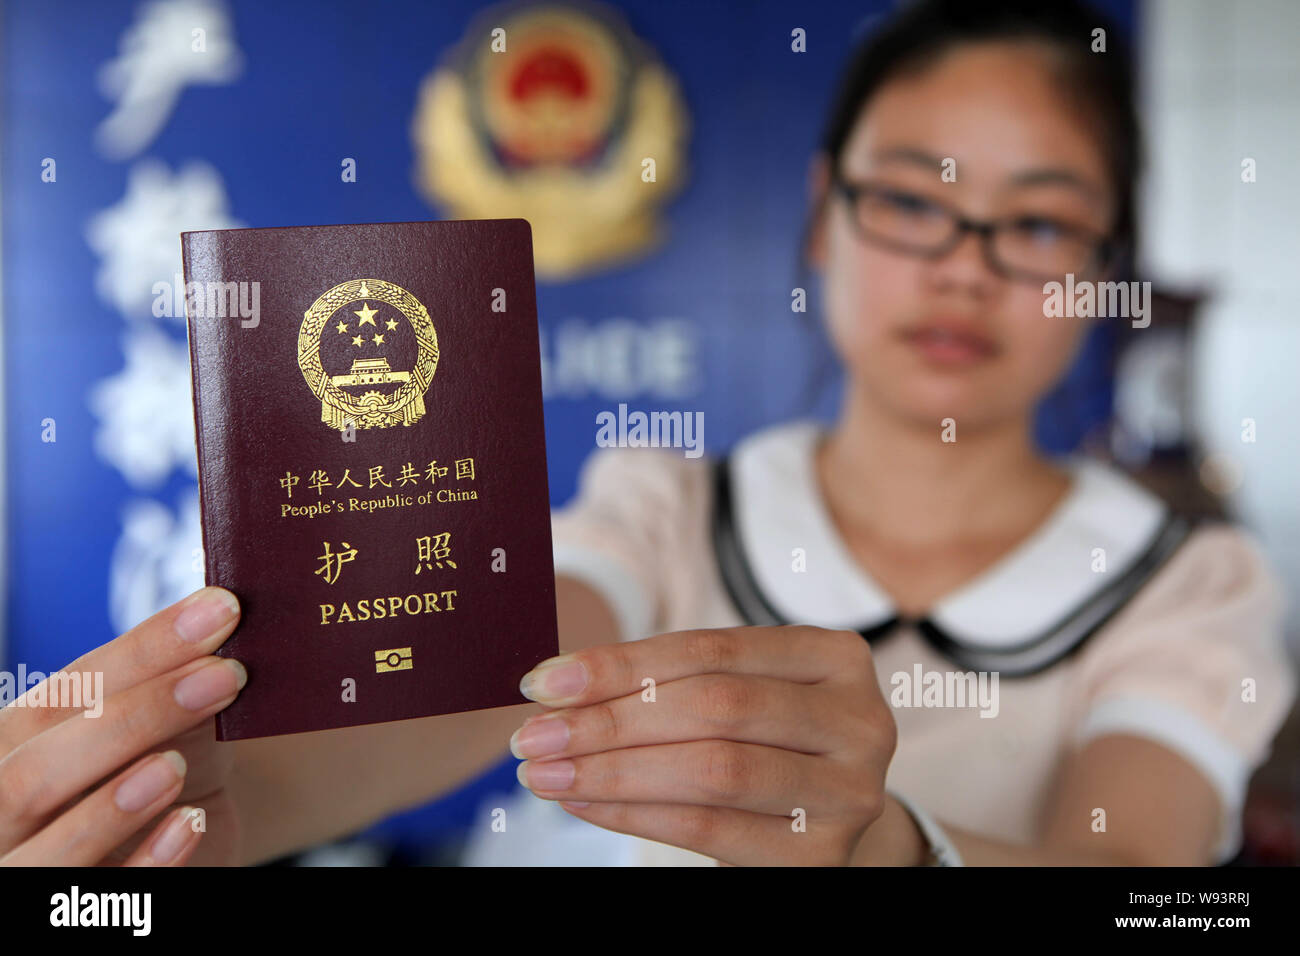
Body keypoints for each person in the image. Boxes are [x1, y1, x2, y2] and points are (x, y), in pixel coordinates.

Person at [1, 0, 1293, 867]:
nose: (964, 266)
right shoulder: (668, 507)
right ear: (822, 214)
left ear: (1106, 264)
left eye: (1043, 222)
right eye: (910, 200)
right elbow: (491, 667)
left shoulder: (1189, 580)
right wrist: (197, 801)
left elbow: (1133, 872)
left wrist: (894, 851)